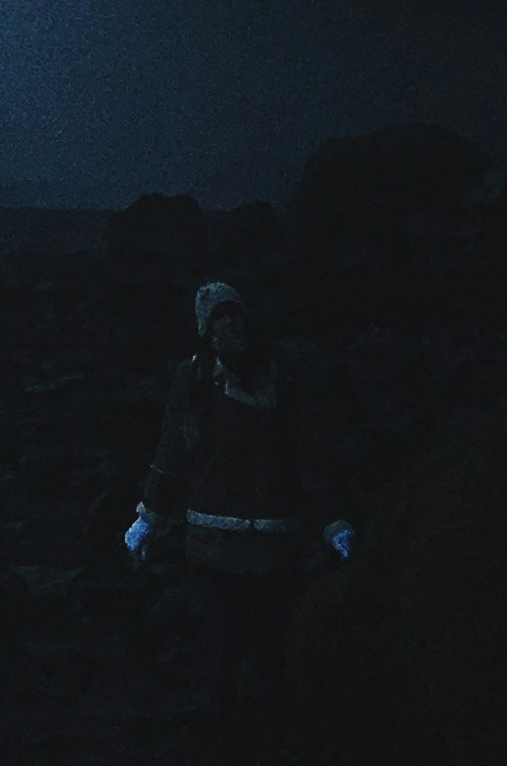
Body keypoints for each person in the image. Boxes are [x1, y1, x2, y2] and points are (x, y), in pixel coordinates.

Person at [126, 275, 349, 741]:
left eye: (235, 315)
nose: (230, 325)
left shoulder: (278, 381)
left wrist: (333, 522)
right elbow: (173, 454)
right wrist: (148, 519)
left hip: (268, 546)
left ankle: (261, 739)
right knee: (225, 653)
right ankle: (229, 741)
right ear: (208, 329)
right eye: (220, 317)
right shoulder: (196, 381)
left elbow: (305, 459)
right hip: (218, 547)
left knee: (264, 653)